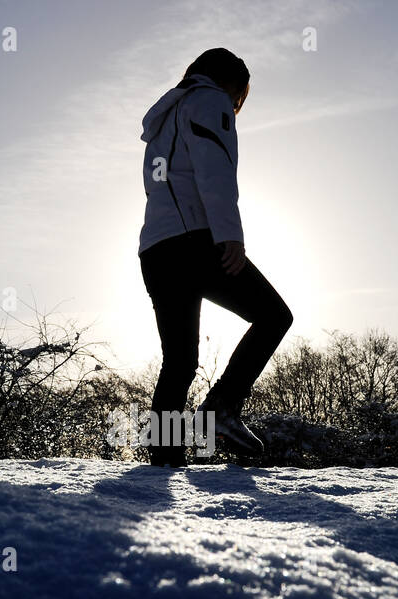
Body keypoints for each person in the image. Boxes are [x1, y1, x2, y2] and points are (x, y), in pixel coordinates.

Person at [137, 48, 293, 467]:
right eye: (241, 95)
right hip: (195, 241)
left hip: (156, 249)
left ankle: (164, 461)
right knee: (275, 316)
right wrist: (230, 237)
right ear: (233, 84)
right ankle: (220, 410)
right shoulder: (211, 101)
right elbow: (214, 171)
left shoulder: (164, 118)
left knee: (180, 360)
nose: (239, 105)